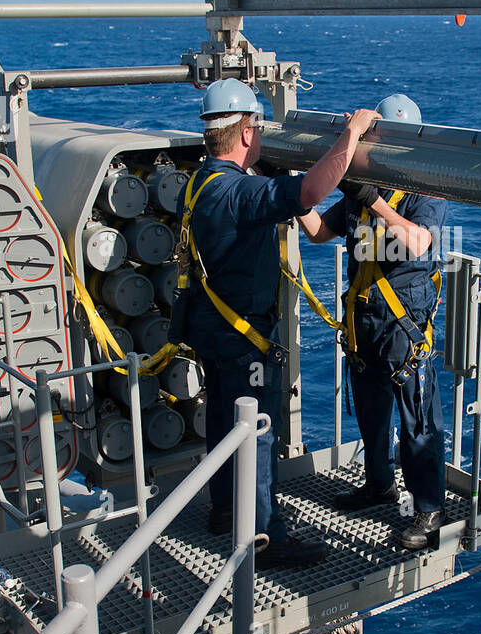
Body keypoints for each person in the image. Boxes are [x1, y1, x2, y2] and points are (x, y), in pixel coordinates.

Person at [169, 77, 380, 569]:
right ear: (246, 135)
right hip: (245, 338)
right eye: (258, 130)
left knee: (223, 424)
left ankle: (225, 511)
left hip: (212, 329)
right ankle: (265, 538)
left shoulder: (200, 184)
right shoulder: (240, 193)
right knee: (257, 433)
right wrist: (351, 135)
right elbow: (311, 189)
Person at [305, 93, 449, 550]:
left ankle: (427, 510)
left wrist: (375, 203)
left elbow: (419, 243)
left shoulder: (423, 189)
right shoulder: (358, 188)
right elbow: (318, 233)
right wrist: (290, 194)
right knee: (371, 411)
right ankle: (379, 484)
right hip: (365, 319)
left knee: (418, 420)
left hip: (403, 321)